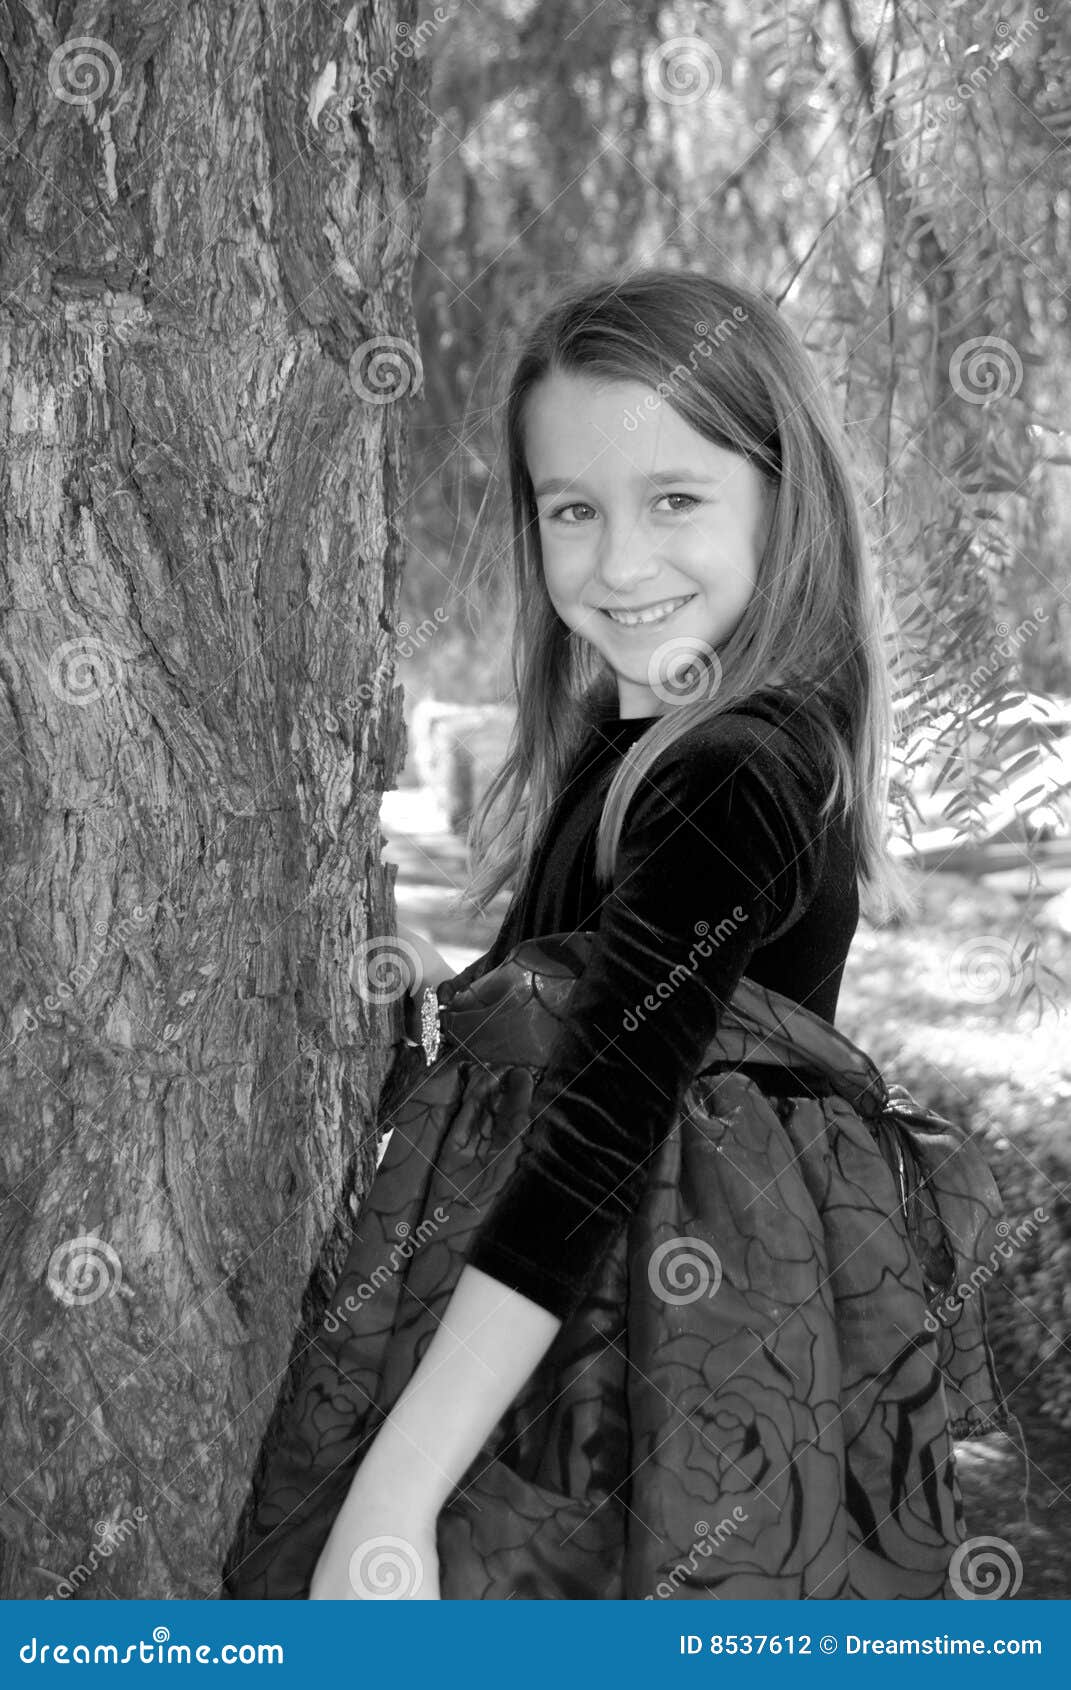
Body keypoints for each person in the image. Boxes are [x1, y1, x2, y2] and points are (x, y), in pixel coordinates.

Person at [222, 268, 1008, 1603]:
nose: (621, 562)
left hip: (626, 1384)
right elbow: (558, 1019)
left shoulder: (733, 775)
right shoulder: (637, 739)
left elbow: (595, 1143)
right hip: (585, 1356)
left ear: (785, 499)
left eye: (676, 500)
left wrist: (397, 1494)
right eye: (573, 508)